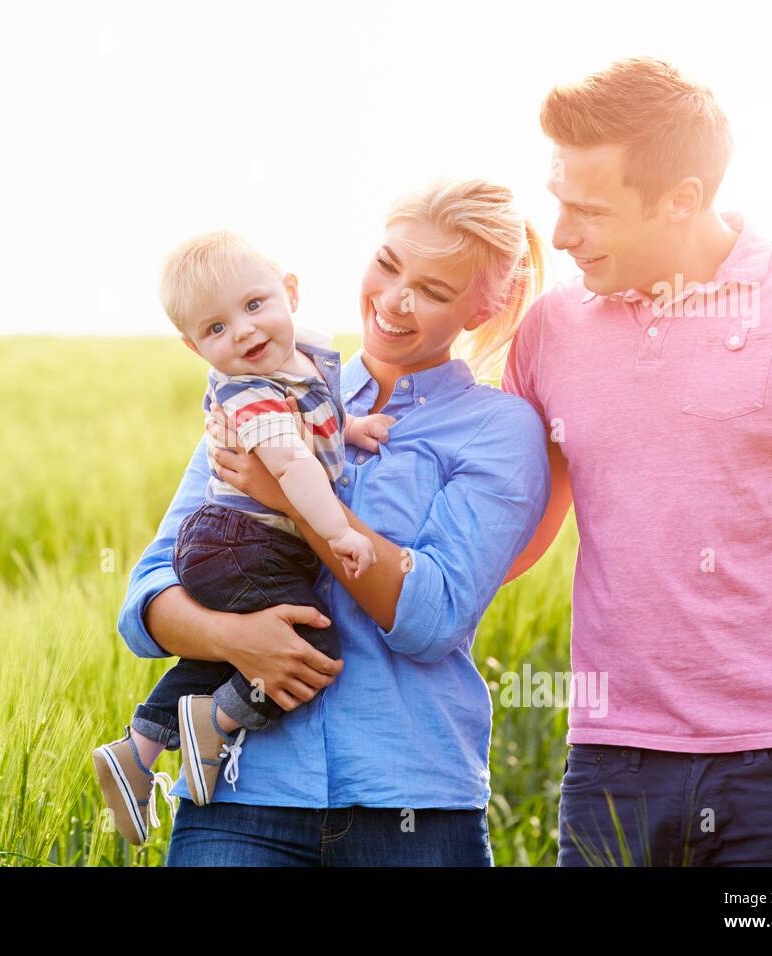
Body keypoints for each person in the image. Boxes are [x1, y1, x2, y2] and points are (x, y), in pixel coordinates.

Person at [501, 56, 772, 866]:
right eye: (557, 202)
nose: (560, 235)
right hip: (609, 761)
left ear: (683, 199)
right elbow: (507, 537)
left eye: (588, 210)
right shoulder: (550, 331)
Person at [117, 178, 551, 865]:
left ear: (483, 307)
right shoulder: (257, 389)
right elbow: (146, 597)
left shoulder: (498, 432)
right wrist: (237, 639)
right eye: (387, 264)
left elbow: (431, 616)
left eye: (434, 291)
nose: (394, 301)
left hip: (410, 806)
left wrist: (294, 496)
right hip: (241, 798)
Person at [92, 231, 393, 845]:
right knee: (312, 641)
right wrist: (337, 533)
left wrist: (351, 426)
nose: (245, 333)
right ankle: (218, 718)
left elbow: (317, 420)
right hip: (239, 542)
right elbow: (291, 467)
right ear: (193, 346)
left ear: (290, 292)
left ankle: (140, 747)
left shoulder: (300, 361)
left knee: (222, 650)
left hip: (231, 544)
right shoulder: (250, 390)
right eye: (217, 329)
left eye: (255, 307)